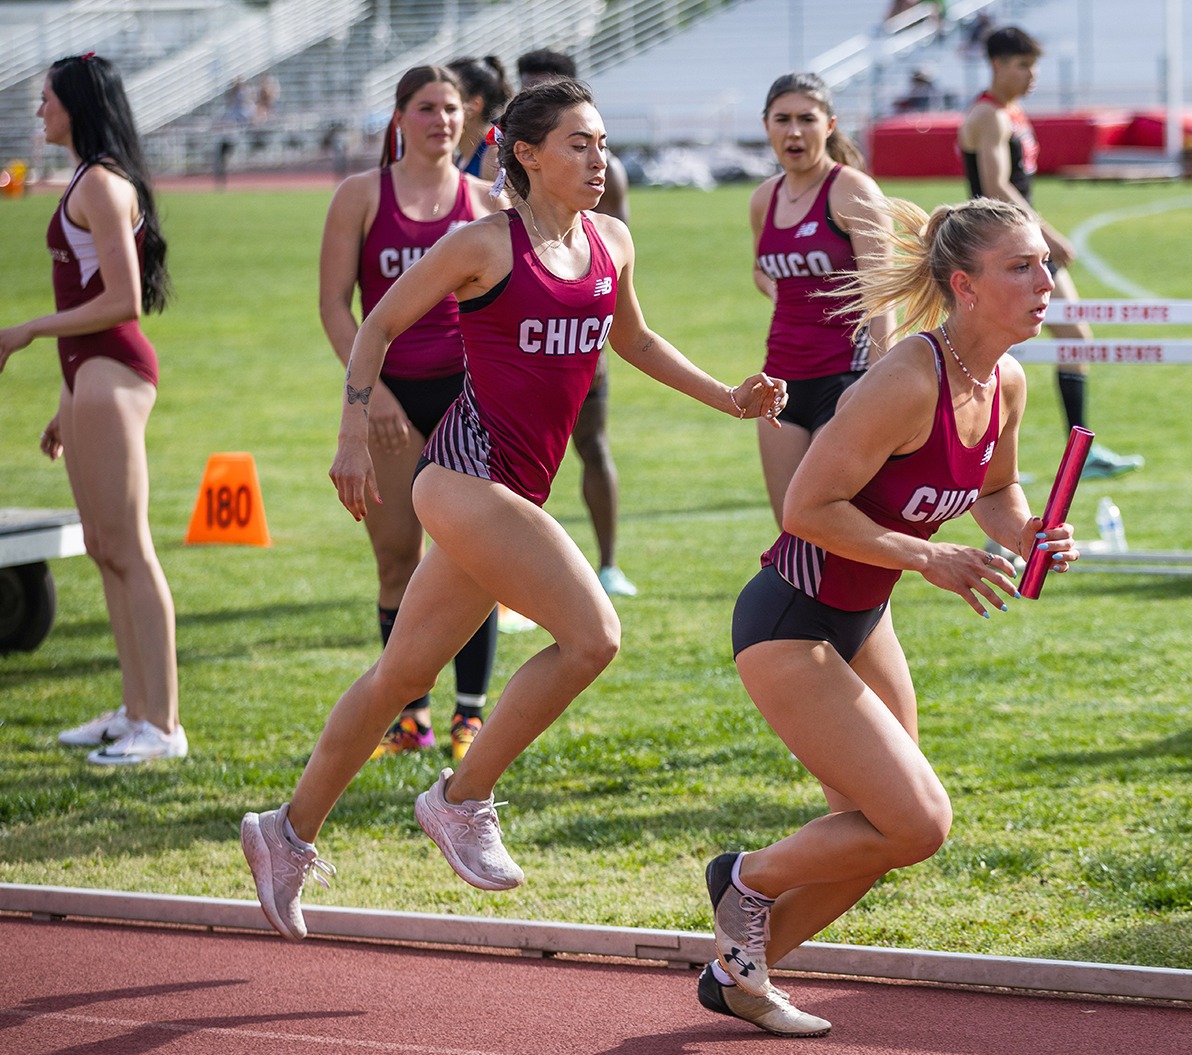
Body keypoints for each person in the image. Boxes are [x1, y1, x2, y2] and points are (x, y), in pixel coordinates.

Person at [240, 77, 786, 942]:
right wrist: (353, 434)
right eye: (579, 143)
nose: (598, 159)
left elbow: (632, 339)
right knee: (594, 636)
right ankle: (462, 799)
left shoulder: (612, 241)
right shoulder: (484, 245)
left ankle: (285, 832)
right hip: (459, 477)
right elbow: (375, 324)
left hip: (513, 490)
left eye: (602, 143)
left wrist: (729, 397)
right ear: (525, 155)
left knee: (399, 677)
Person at [700, 196, 1079, 1037]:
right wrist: (926, 557)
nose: (1045, 279)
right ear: (964, 286)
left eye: (1044, 261)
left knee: (883, 834)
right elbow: (805, 506)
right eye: (1021, 265)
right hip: (790, 622)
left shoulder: (1005, 379)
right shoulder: (906, 381)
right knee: (918, 820)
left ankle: (737, 974)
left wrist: (1029, 535)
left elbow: (992, 492)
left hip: (862, 620)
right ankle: (745, 877)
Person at [0, 54, 184, 765]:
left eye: (46, 99)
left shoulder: (101, 182)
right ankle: (135, 711)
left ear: (74, 103)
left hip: (112, 367)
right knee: (103, 550)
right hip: (86, 379)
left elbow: (123, 301)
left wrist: (32, 328)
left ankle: (161, 725)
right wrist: (63, 407)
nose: (39, 111)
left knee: (129, 549)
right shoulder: (87, 176)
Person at [317, 65, 508, 760]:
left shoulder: (487, 199)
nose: (441, 120)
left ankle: (469, 714)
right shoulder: (360, 196)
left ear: (468, 117)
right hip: (389, 399)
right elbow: (337, 307)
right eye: (426, 108)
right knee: (398, 556)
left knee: (476, 556)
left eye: (451, 109)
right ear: (399, 118)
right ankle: (410, 717)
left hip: (468, 399)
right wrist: (374, 400)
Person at [958, 26, 1142, 480]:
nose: (1032, 75)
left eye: (1034, 66)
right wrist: (1048, 234)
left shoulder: (1011, 113)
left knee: (1074, 335)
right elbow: (995, 186)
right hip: (1001, 244)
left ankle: (1081, 454)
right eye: (1023, 65)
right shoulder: (989, 117)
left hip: (1022, 240)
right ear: (997, 65)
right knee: (990, 350)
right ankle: (977, 455)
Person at [518, 47, 638, 596]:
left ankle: (609, 563)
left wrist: (728, 396)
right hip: (512, 353)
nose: (595, 158)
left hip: (583, 336)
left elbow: (609, 258)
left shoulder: (605, 184)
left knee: (592, 445)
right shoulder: (500, 189)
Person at [750, 72, 894, 526]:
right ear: (766, 125)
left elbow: (883, 291)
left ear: (829, 126)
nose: (794, 131)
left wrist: (878, 383)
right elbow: (761, 266)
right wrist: (785, 288)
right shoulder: (762, 199)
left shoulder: (852, 190)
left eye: (807, 120)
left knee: (849, 543)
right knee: (793, 530)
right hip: (781, 381)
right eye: (783, 119)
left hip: (845, 379)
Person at [448, 56, 511, 185]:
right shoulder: (462, 157)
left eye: (448, 106)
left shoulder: (495, 157)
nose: (439, 115)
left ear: (474, 105)